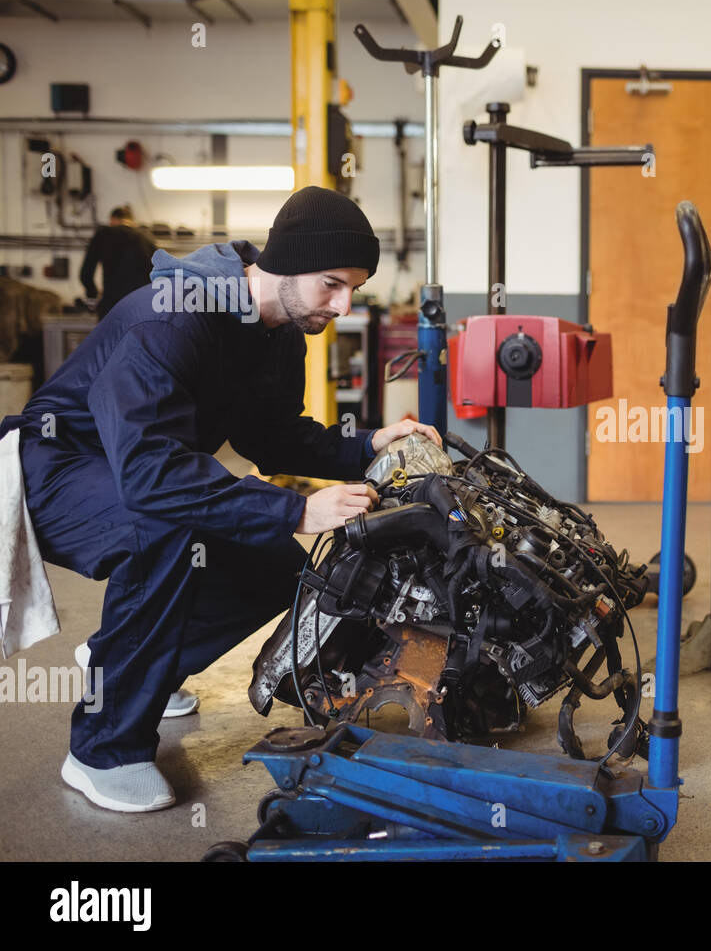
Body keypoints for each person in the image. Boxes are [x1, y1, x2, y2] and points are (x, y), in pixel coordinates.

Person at [0, 186, 441, 813]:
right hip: (61, 467)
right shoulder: (172, 316)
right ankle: (102, 750)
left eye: (354, 290)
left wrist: (371, 441)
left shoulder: (282, 332)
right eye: (332, 284)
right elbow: (150, 475)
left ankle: (122, 664)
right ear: (286, 261)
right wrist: (296, 510)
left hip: (143, 470)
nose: (343, 305)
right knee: (164, 535)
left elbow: (274, 436)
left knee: (280, 567)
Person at [78, 205, 157, 320]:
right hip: (140, 308)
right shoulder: (147, 239)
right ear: (132, 221)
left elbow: (86, 274)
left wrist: (93, 295)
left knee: (111, 338)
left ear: (112, 220)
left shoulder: (103, 235)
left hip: (112, 306)